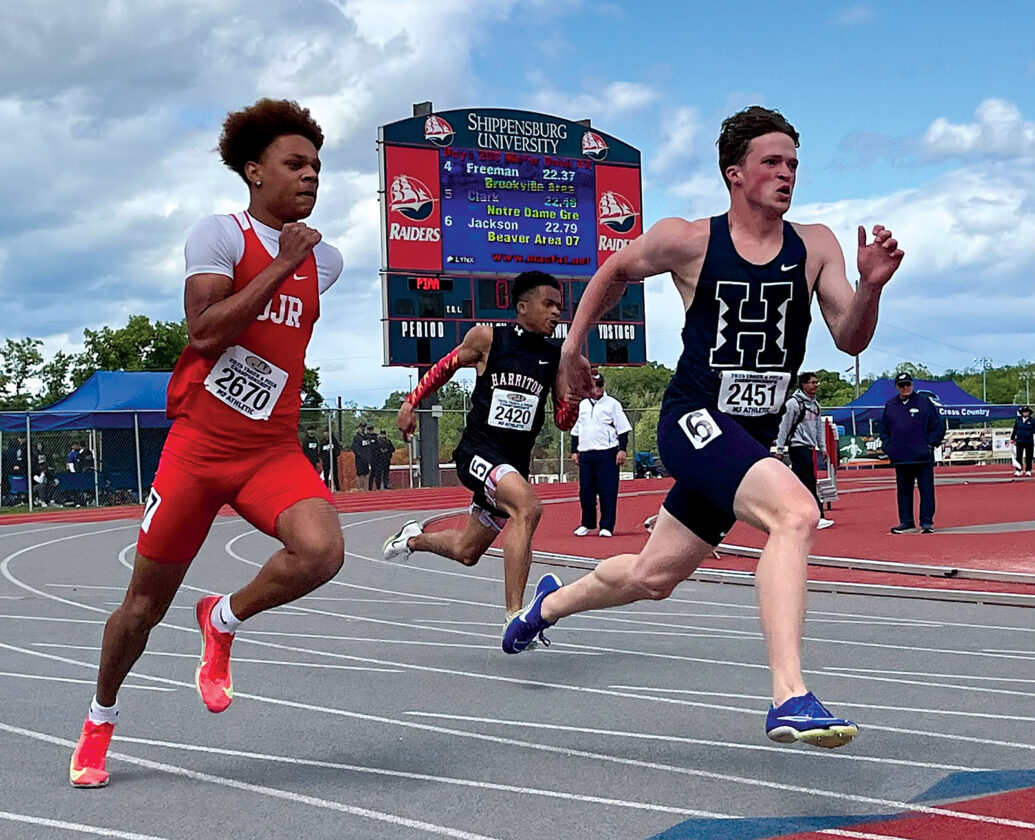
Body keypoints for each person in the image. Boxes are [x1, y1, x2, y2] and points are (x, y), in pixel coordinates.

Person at [504, 106, 905, 750]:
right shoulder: (690, 240)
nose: (786, 174)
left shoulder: (817, 245)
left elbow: (849, 335)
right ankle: (789, 696)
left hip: (748, 439)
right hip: (693, 419)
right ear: (735, 174)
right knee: (796, 512)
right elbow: (615, 270)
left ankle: (543, 606)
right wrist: (574, 350)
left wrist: (872, 288)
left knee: (653, 577)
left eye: (794, 164)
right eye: (772, 162)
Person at [69, 98, 344, 788]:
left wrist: (297, 262)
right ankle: (99, 720)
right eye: (295, 163)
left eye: (316, 165)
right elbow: (204, 333)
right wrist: (280, 264)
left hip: (271, 450)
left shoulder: (327, 261)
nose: (311, 175)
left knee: (322, 552)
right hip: (197, 449)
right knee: (142, 609)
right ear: (255, 172)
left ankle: (222, 618)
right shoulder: (219, 235)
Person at [383, 271, 579, 618]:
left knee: (467, 551)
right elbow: (445, 366)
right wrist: (411, 401)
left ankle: (412, 538)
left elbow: (563, 422)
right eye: (548, 304)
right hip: (478, 453)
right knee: (528, 509)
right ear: (522, 306)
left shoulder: (556, 357)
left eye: (560, 307)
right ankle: (515, 616)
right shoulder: (488, 338)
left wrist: (575, 402)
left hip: (512, 465)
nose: (556, 313)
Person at [877, 372, 944, 534]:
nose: (905, 388)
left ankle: (926, 522)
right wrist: (889, 447)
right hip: (901, 457)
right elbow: (884, 429)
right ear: (896, 387)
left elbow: (938, 425)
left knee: (926, 490)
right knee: (903, 491)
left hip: (922, 457)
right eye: (901, 385)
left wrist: (930, 445)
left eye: (908, 384)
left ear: (912, 385)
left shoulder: (924, 402)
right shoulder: (891, 405)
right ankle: (906, 521)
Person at [571, 370, 632, 537]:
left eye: (598, 386)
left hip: (607, 453)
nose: (595, 390)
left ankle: (606, 526)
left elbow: (623, 429)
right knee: (586, 492)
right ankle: (587, 523)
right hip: (586, 453)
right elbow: (577, 429)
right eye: (591, 386)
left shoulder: (612, 404)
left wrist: (622, 449)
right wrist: (574, 449)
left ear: (603, 386)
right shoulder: (582, 405)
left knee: (607, 491)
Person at [775, 371, 834, 529]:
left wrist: (822, 447)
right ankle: (817, 516)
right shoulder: (793, 404)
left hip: (809, 447)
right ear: (804, 384)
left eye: (816, 382)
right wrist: (780, 449)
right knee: (808, 482)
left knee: (802, 483)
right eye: (812, 382)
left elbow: (819, 428)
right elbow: (784, 427)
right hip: (798, 446)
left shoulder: (815, 405)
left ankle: (797, 514)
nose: (815, 385)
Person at [1011, 405, 1033, 477]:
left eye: (1027, 412)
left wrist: (1029, 433)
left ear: (1029, 413)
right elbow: (1015, 429)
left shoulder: (1032, 421)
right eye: (1024, 412)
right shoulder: (1018, 420)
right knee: (1019, 456)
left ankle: (1028, 470)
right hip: (1019, 441)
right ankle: (1018, 470)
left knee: (1029, 456)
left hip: (1029, 441)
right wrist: (1012, 438)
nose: (1025, 413)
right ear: (1021, 413)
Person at [351, 422, 373, 487]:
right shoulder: (357, 438)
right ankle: (360, 488)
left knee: (366, 474)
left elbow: (370, 448)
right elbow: (355, 449)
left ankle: (366, 488)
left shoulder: (368, 437)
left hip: (367, 459)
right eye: (362, 427)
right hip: (359, 459)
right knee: (360, 474)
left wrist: (368, 456)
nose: (363, 429)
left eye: (364, 427)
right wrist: (362, 456)